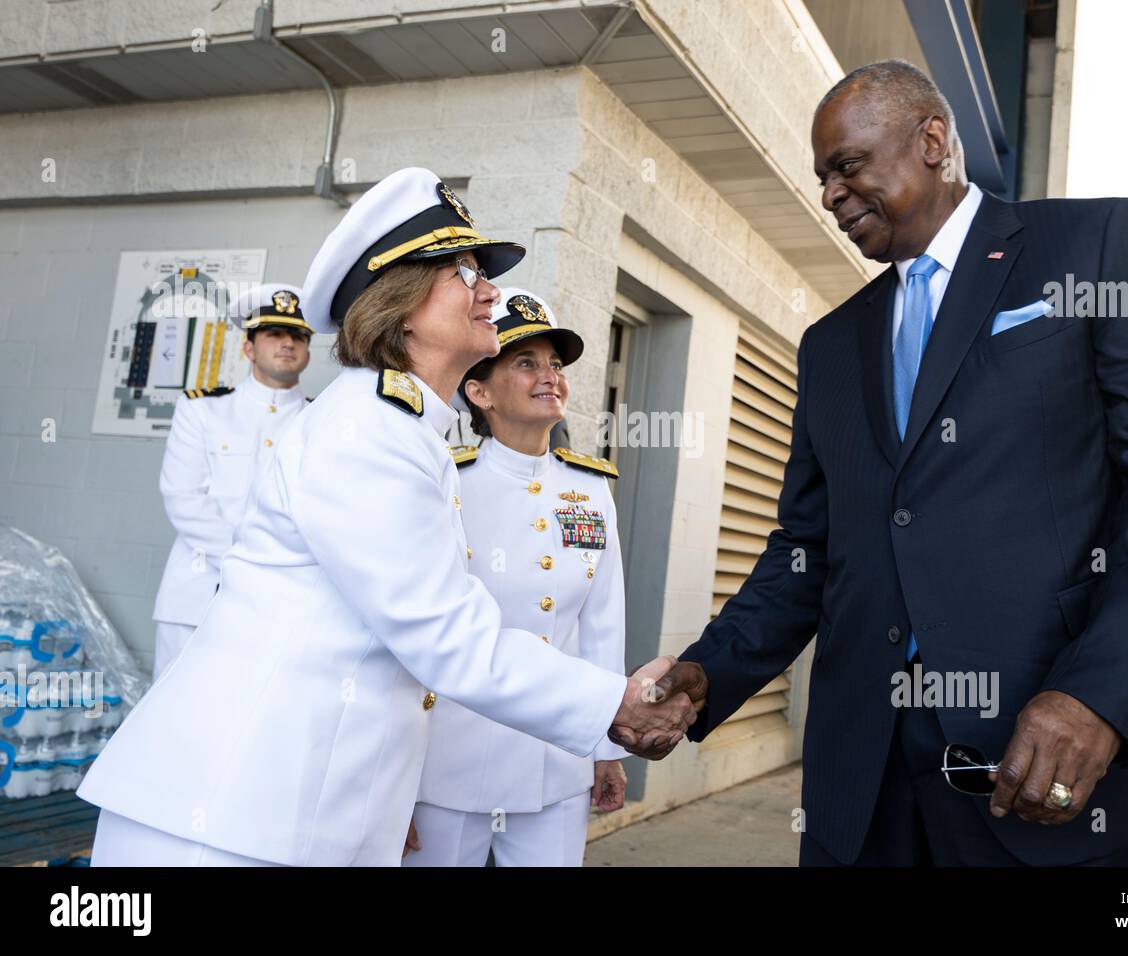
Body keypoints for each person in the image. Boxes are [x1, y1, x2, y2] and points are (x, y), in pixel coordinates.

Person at [647, 60, 1128, 866]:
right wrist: (705, 674)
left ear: (932, 140)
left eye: (847, 166)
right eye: (822, 178)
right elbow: (804, 552)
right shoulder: (830, 346)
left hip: (1036, 765)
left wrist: (1098, 694)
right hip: (862, 784)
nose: (831, 195)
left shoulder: (1092, 244)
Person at [77, 168, 694, 866]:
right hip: (227, 819)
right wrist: (617, 708)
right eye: (464, 270)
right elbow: (448, 636)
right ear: (400, 307)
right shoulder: (368, 432)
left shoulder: (400, 427)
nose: (489, 289)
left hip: (288, 816)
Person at [403, 289, 628, 867]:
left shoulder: (590, 488)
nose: (548, 375)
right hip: (450, 761)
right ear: (478, 392)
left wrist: (606, 747)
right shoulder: (447, 480)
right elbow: (411, 639)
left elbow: (602, 626)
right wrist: (393, 779)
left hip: (555, 760)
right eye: (525, 362)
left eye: (554, 363)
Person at [151, 283, 313, 679]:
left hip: (281, 603)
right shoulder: (203, 409)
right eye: (274, 334)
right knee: (170, 717)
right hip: (196, 595)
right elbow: (183, 496)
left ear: (308, 351)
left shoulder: (320, 420)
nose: (287, 344)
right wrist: (248, 563)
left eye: (297, 336)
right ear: (248, 347)